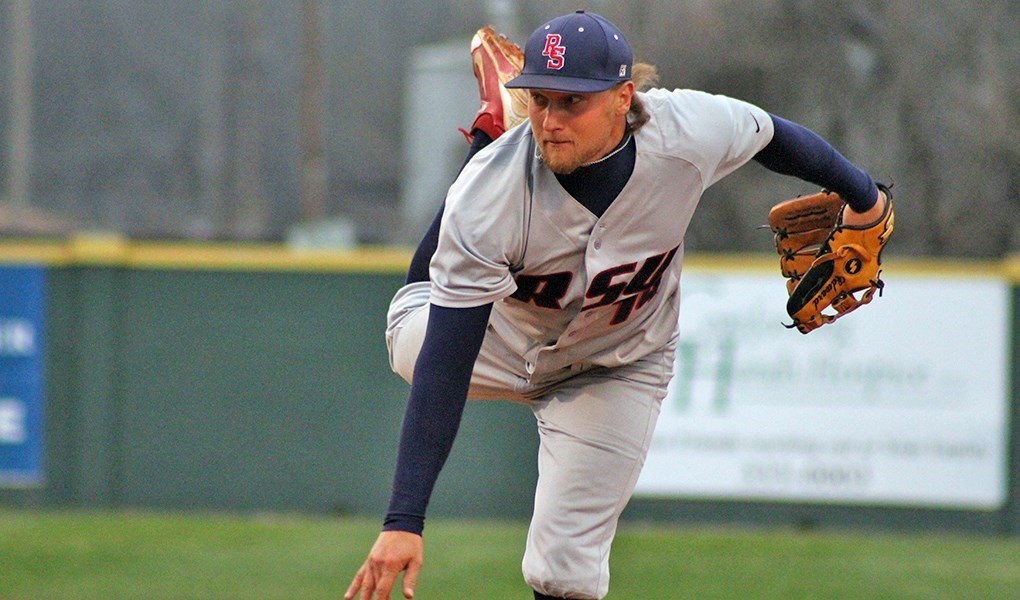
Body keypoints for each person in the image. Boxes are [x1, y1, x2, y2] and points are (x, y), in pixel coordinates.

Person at [346, 10, 890, 600]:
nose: (551, 121)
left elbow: (774, 136)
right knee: (411, 340)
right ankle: (494, 132)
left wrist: (865, 198)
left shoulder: (687, 130)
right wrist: (403, 520)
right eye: (540, 101)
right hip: (496, 346)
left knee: (564, 569)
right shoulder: (494, 192)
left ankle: (501, 125)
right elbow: (448, 364)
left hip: (619, 363)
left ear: (622, 97)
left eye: (571, 103)